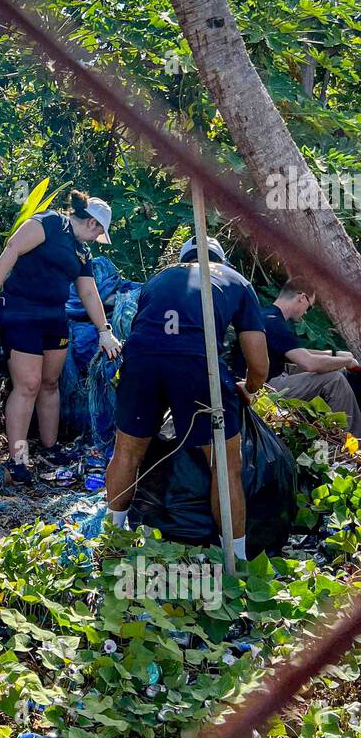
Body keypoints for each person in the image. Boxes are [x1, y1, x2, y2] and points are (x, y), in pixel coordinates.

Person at [105, 236, 270, 562]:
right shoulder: (236, 281)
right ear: (221, 260)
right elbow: (260, 364)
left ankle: (112, 540)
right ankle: (234, 559)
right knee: (224, 465)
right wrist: (248, 389)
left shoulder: (159, 278)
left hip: (140, 362)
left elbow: (148, 331)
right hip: (197, 364)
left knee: (126, 452)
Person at [0, 189, 121, 485]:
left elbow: (88, 291)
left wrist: (104, 331)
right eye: (98, 233)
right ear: (93, 224)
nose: (96, 239)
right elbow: (13, 246)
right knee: (27, 385)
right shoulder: (51, 223)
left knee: (50, 383)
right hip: (22, 312)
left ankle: (50, 446)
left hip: (54, 316)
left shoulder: (83, 251)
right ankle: (18, 458)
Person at [245, 277, 361, 434]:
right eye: (309, 307)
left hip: (273, 375)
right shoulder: (274, 322)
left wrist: (335, 354)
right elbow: (309, 363)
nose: (306, 312)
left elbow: (297, 352)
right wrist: (347, 360)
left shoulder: (268, 315)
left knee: (337, 371)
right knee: (334, 380)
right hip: (264, 387)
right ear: (302, 298)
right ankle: (352, 444)